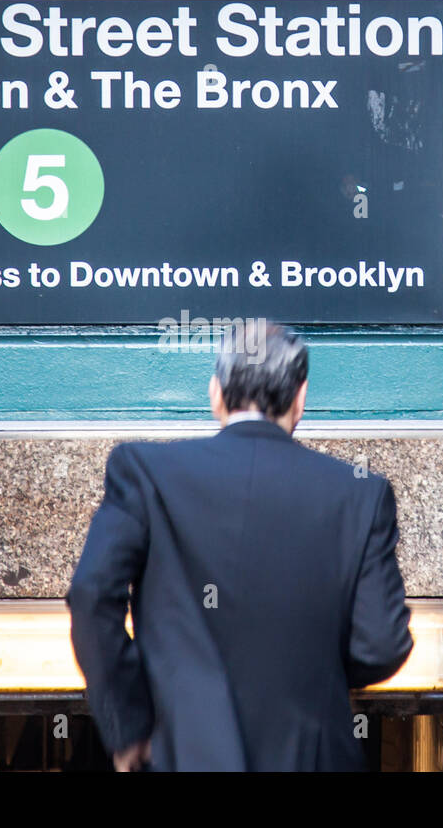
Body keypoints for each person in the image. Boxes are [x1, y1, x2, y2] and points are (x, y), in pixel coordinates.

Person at [68, 319, 413, 771]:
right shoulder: (360, 493)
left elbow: (92, 596)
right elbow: (382, 646)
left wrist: (129, 724)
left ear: (216, 393)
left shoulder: (144, 472)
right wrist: (313, 674)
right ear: (300, 398)